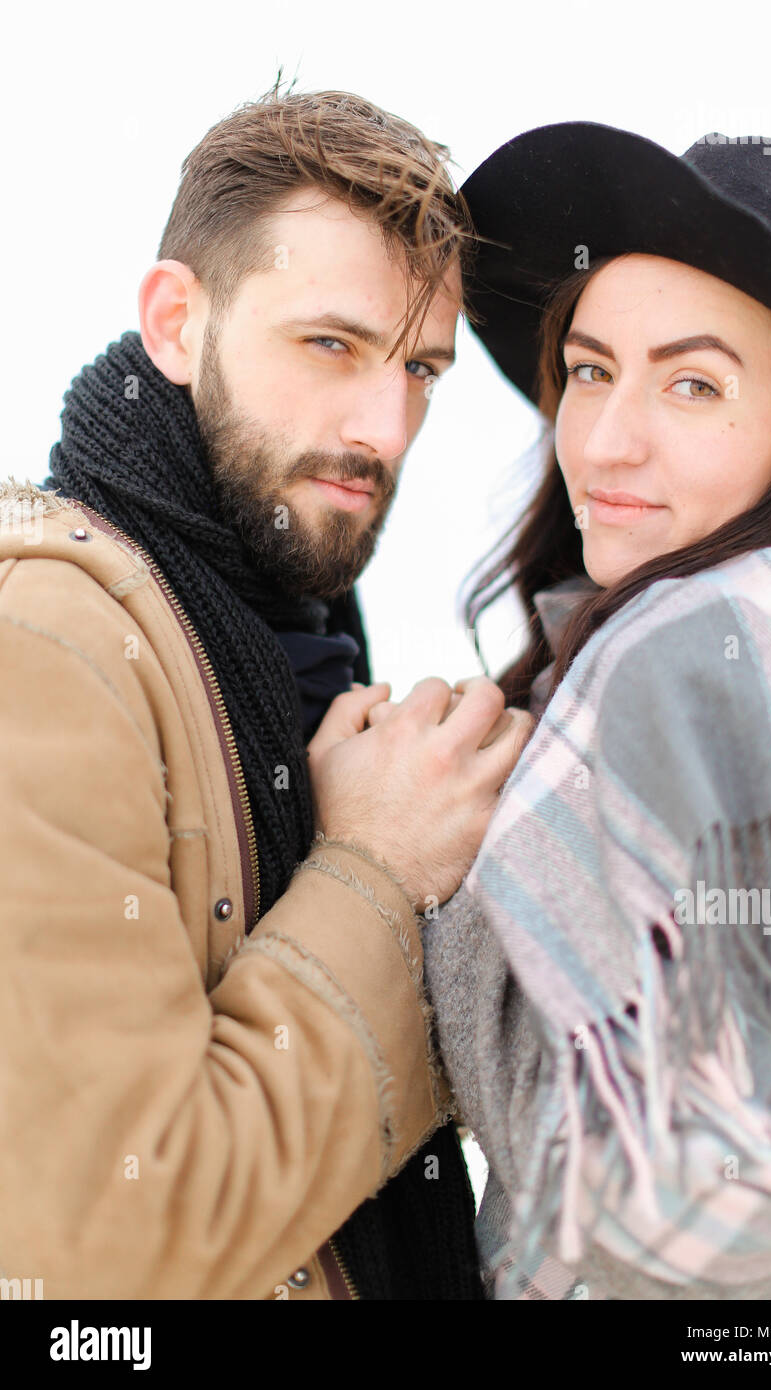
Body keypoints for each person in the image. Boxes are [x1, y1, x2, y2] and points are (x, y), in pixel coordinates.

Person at [0, 84, 533, 1301]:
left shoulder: (297, 649)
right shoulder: (43, 648)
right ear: (175, 322)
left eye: (422, 371)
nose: (383, 426)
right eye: (331, 345)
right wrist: (379, 875)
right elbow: (118, 1236)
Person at [406, 122, 771, 1298]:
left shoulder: (729, 625)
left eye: (693, 383)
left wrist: (418, 888)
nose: (603, 439)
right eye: (592, 369)